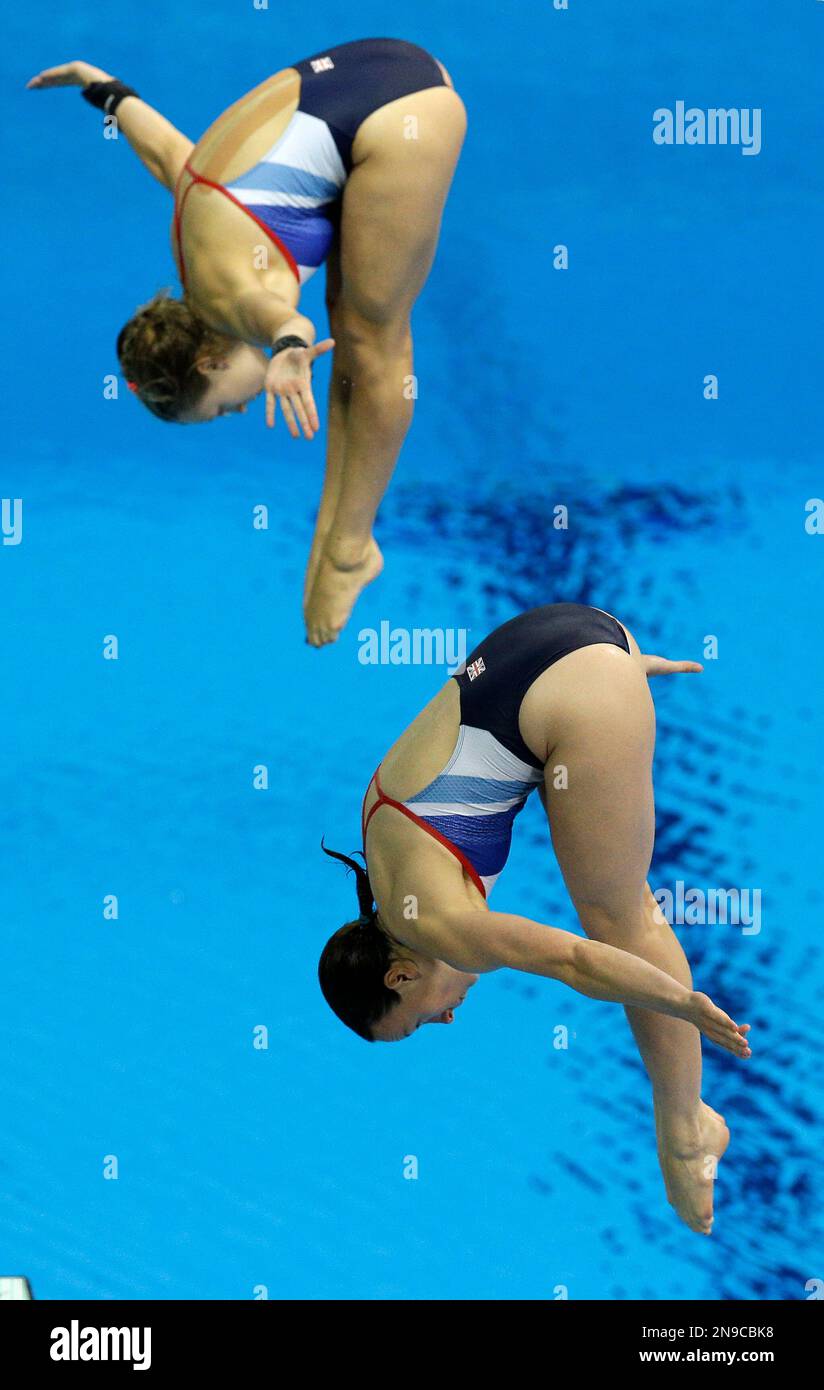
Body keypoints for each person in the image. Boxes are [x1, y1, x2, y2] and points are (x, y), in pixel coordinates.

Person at [319, 603, 752, 1234]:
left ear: (399, 979)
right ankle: (617, 672)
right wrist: (621, 664)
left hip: (584, 686)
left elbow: (573, 959)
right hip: (569, 634)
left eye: (417, 1024)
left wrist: (684, 1005)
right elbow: (483, 704)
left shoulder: (437, 924)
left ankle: (686, 1128)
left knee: (618, 915)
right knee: (583, 843)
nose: (446, 1017)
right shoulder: (386, 867)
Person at [27, 39, 467, 645]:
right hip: (378, 64)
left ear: (209, 361)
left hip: (406, 118)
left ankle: (350, 552)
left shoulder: (229, 301)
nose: (238, 409)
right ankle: (338, 529)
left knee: (372, 340)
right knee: (347, 310)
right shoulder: (190, 247)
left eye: (221, 407)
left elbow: (289, 326)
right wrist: (100, 86)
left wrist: (287, 356)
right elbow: (162, 153)